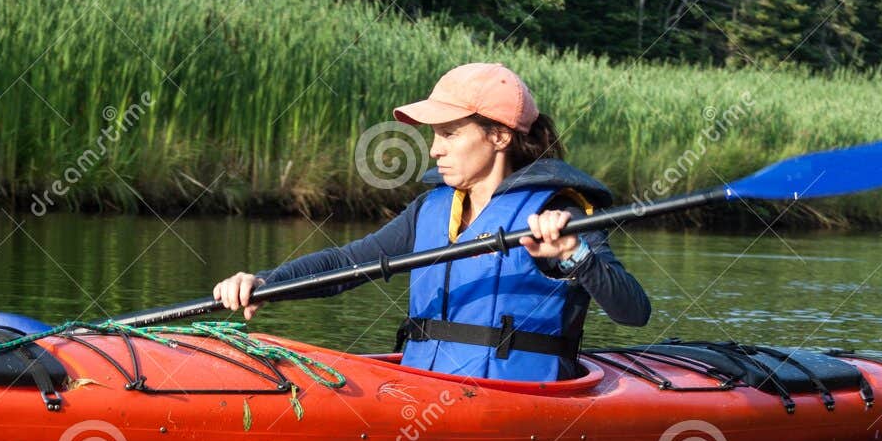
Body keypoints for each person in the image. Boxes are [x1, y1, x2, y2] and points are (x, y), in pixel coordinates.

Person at [213, 63, 651, 381]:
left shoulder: (562, 212)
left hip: (522, 397)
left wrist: (576, 256)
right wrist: (265, 283)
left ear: (499, 136)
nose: (434, 150)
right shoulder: (431, 209)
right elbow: (347, 263)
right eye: (434, 136)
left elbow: (634, 312)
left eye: (450, 133)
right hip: (423, 387)